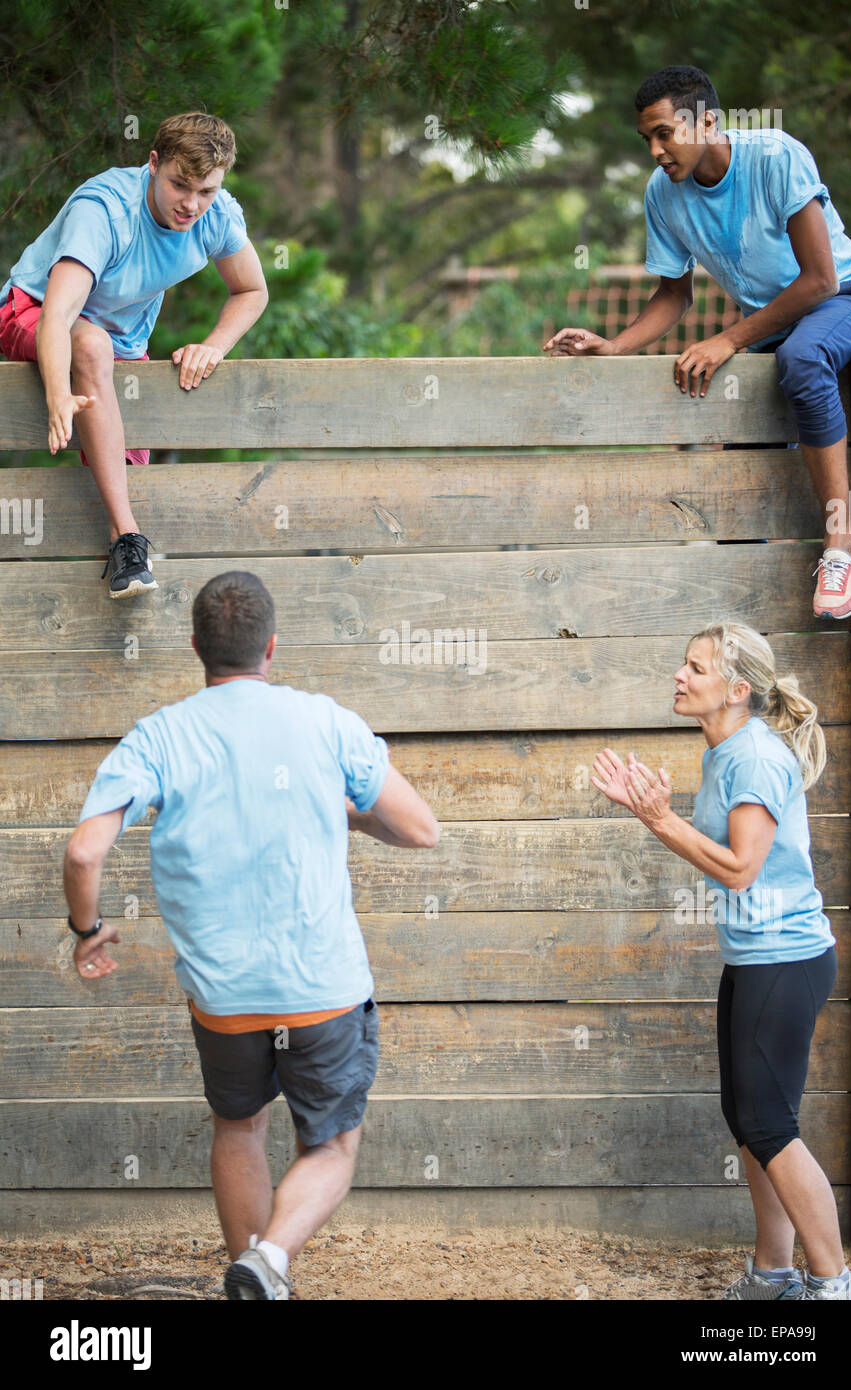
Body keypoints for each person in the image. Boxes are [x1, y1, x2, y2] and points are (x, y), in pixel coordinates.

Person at [62, 570, 439, 1300]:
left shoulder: (160, 735)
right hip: (322, 993)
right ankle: (268, 1262)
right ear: (272, 647)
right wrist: (348, 812)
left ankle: (255, 1281)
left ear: (197, 646)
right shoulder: (326, 722)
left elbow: (84, 851)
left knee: (237, 1130)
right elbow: (420, 829)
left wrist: (88, 930)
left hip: (224, 1000)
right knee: (329, 1145)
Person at [591, 619, 851, 1300]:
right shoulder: (725, 750)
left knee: (770, 1124)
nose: (680, 676)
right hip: (753, 960)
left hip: (787, 961)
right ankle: (774, 1276)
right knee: (749, 1120)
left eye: (696, 667)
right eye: (683, 664)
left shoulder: (755, 757)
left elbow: (740, 868)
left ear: (737, 688)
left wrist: (661, 821)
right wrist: (658, 817)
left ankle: (836, 1285)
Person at [544, 65, 851, 621]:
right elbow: (675, 295)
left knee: (803, 358)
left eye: (664, 133)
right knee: (735, 448)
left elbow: (820, 280)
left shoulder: (774, 156)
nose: (654, 151)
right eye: (647, 138)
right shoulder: (662, 194)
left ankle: (840, 544)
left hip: (844, 300)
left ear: (707, 121)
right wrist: (615, 347)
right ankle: (748, 616)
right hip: (771, 325)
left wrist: (728, 340)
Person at [0, 112, 268, 598]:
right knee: (90, 343)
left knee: (124, 477)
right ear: (152, 163)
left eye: (205, 191)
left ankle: (126, 565)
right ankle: (129, 541)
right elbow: (59, 316)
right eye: (179, 185)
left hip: (121, 348)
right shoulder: (103, 210)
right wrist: (59, 393)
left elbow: (251, 289)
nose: (191, 205)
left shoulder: (217, 215)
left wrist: (213, 347)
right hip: (32, 313)